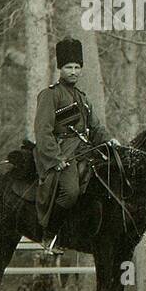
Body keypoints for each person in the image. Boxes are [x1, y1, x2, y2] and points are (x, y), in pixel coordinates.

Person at [33, 37, 117, 252]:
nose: (73, 71)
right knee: (70, 193)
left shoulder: (82, 97)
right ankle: (49, 236)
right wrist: (55, 159)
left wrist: (109, 140)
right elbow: (43, 132)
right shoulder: (50, 95)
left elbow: (96, 127)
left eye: (77, 67)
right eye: (69, 67)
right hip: (62, 153)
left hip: (84, 151)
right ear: (60, 68)